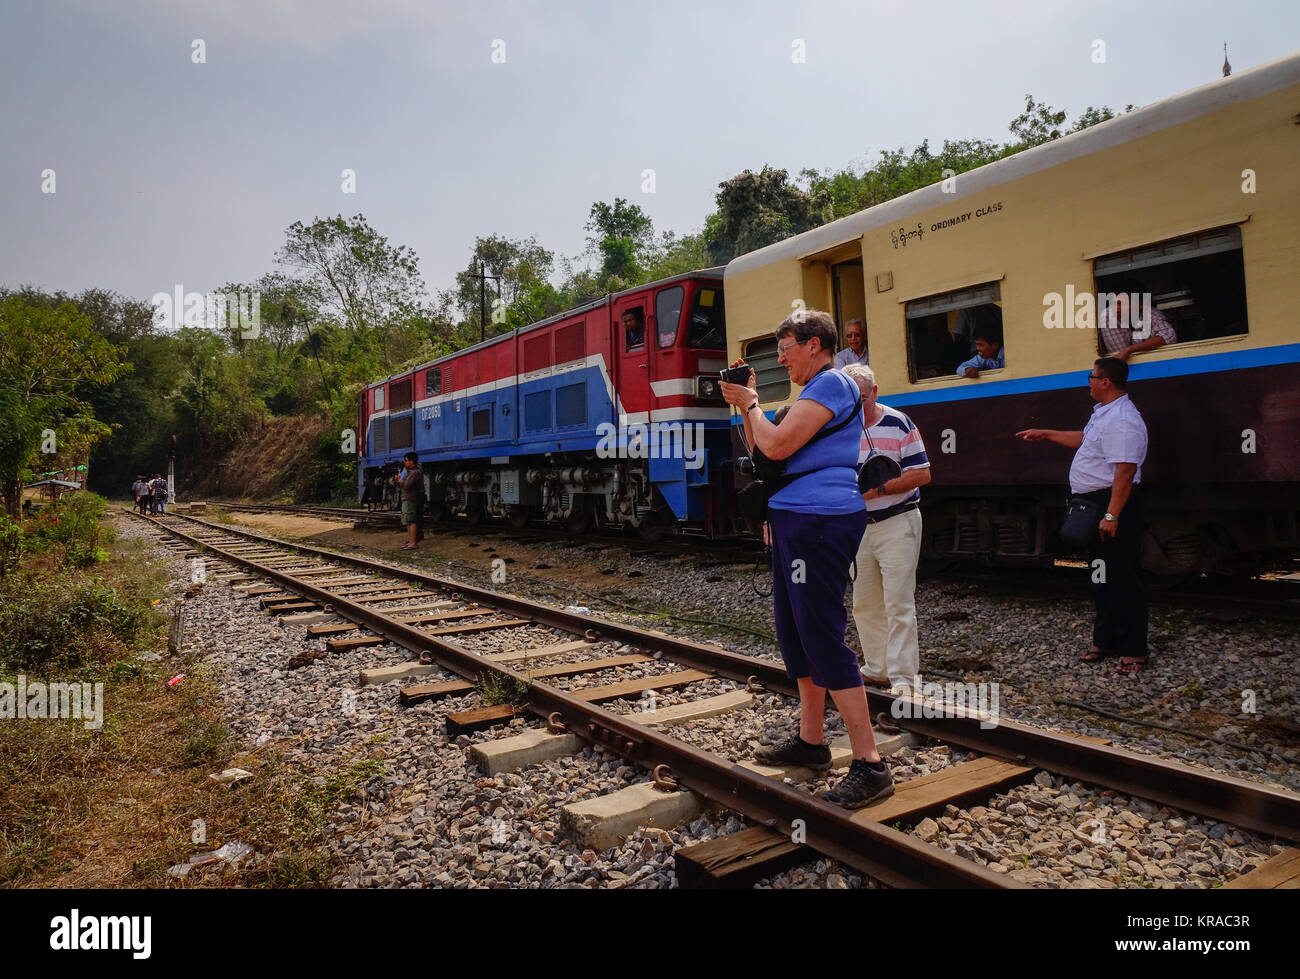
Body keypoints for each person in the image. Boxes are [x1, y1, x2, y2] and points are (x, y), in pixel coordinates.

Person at [719, 309, 893, 809]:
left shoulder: (834, 383)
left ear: (815, 344)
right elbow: (765, 455)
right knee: (794, 633)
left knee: (820, 634)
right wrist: (747, 406)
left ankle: (870, 764)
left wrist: (752, 404)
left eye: (786, 346)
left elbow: (775, 441)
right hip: (796, 518)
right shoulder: (808, 394)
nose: (780, 357)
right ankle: (812, 741)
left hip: (820, 519)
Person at [1016, 357, 1149, 674]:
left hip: (1112, 505)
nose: (1088, 380)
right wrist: (1047, 433)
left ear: (1106, 382)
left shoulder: (1123, 419)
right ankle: (1105, 640)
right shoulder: (1103, 414)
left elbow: (1125, 471)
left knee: (1124, 577)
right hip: (1095, 504)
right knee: (1101, 574)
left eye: (1092, 376)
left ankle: (1134, 650)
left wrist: (1112, 515)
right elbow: (1084, 440)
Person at [841, 363, 932, 696]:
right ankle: (878, 667)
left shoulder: (898, 423)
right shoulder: (840, 431)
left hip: (897, 519)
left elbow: (922, 473)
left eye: (861, 398)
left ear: (875, 392)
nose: (855, 407)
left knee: (898, 602)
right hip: (858, 527)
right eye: (849, 400)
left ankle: (904, 678)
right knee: (864, 602)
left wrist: (876, 490)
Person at [1100, 279, 1177, 360]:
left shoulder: (1150, 313)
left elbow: (1169, 336)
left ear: (1140, 304)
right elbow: (1120, 356)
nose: (1115, 308)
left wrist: (1130, 349)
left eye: (1121, 304)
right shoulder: (1108, 316)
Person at [393, 452, 424, 550]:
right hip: (407, 498)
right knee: (408, 521)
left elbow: (407, 485)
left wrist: (400, 481)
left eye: (406, 460)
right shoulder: (410, 472)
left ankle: (413, 542)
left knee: (411, 520)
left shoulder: (415, 472)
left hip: (411, 498)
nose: (404, 462)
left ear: (411, 461)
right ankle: (410, 541)